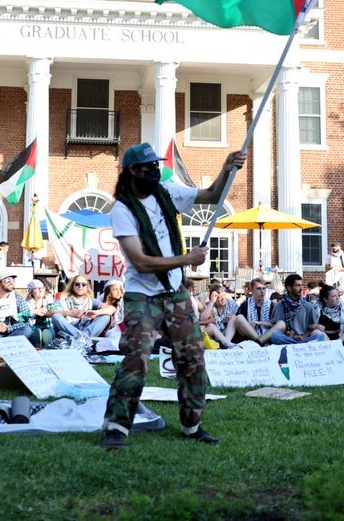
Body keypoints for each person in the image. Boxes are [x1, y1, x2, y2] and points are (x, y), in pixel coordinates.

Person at [100, 142, 246, 450]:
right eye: (148, 168)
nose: (155, 171)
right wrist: (186, 259)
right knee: (136, 359)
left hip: (175, 292)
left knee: (192, 356)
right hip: (143, 295)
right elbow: (140, 261)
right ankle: (115, 427)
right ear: (132, 172)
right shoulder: (122, 210)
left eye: (156, 166)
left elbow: (211, 196)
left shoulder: (166, 191)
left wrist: (226, 167)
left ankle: (192, 425)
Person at [269, 274, 327, 345]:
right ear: (289, 288)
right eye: (297, 285)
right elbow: (275, 328)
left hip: (304, 338)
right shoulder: (279, 306)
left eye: (301, 285)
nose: (301, 288)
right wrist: (290, 335)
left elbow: (312, 328)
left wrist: (303, 336)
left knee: (319, 336)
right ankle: (297, 344)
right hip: (286, 339)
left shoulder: (308, 306)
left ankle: (298, 344)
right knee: (275, 336)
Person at [51, 276, 109, 340]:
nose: (80, 286)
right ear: (72, 286)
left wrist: (96, 312)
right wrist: (68, 313)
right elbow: (49, 311)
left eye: (83, 285)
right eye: (77, 284)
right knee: (55, 316)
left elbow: (111, 309)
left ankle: (80, 337)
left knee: (106, 316)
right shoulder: (63, 299)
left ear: (87, 287)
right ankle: (83, 339)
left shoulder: (92, 301)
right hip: (67, 326)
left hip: (85, 328)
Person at [233, 277, 284, 345]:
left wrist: (261, 323)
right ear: (252, 290)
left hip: (268, 335)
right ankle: (259, 341)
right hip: (250, 336)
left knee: (282, 324)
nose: (262, 291)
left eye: (264, 288)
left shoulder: (272, 305)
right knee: (239, 317)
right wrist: (251, 325)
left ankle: (259, 341)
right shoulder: (245, 304)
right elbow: (242, 326)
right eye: (259, 289)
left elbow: (275, 323)